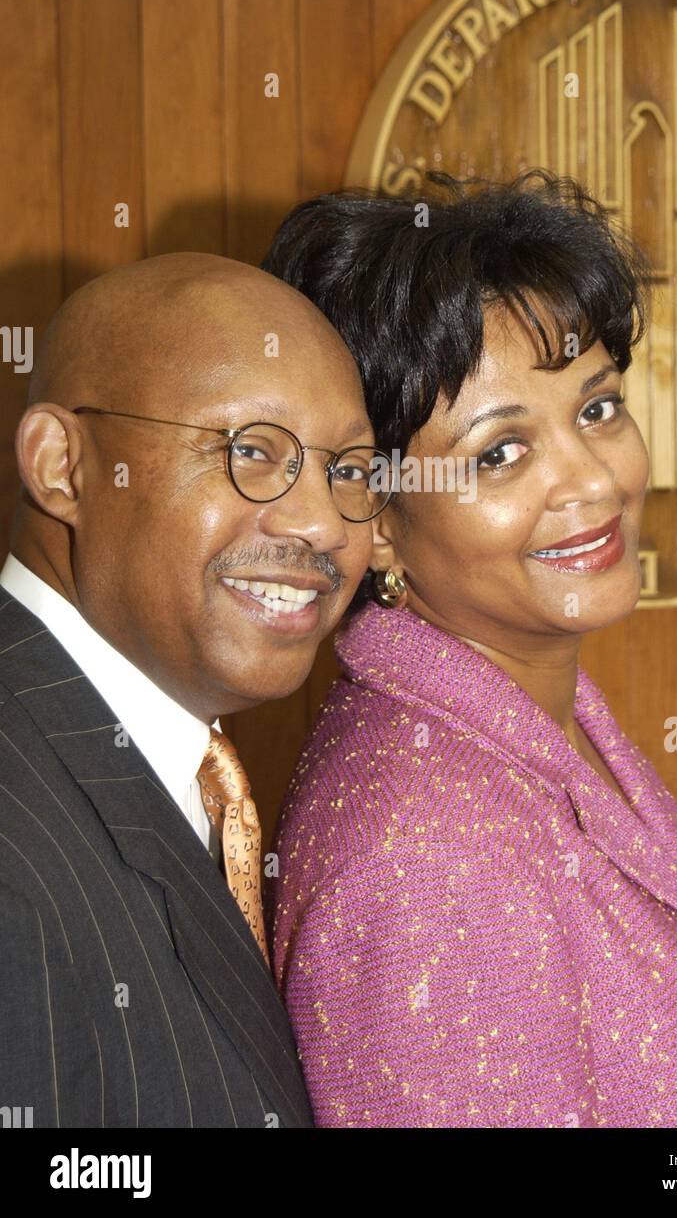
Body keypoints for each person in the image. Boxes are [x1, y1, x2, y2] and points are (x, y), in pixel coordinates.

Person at [262, 172, 677, 1128]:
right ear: (378, 520)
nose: (592, 480)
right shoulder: (429, 864)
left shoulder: (528, 726)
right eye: (499, 453)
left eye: (597, 408)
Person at [0, 251, 390, 1127]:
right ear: (63, 465)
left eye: (351, 470)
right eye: (251, 450)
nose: (322, 521)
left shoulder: (159, 764)